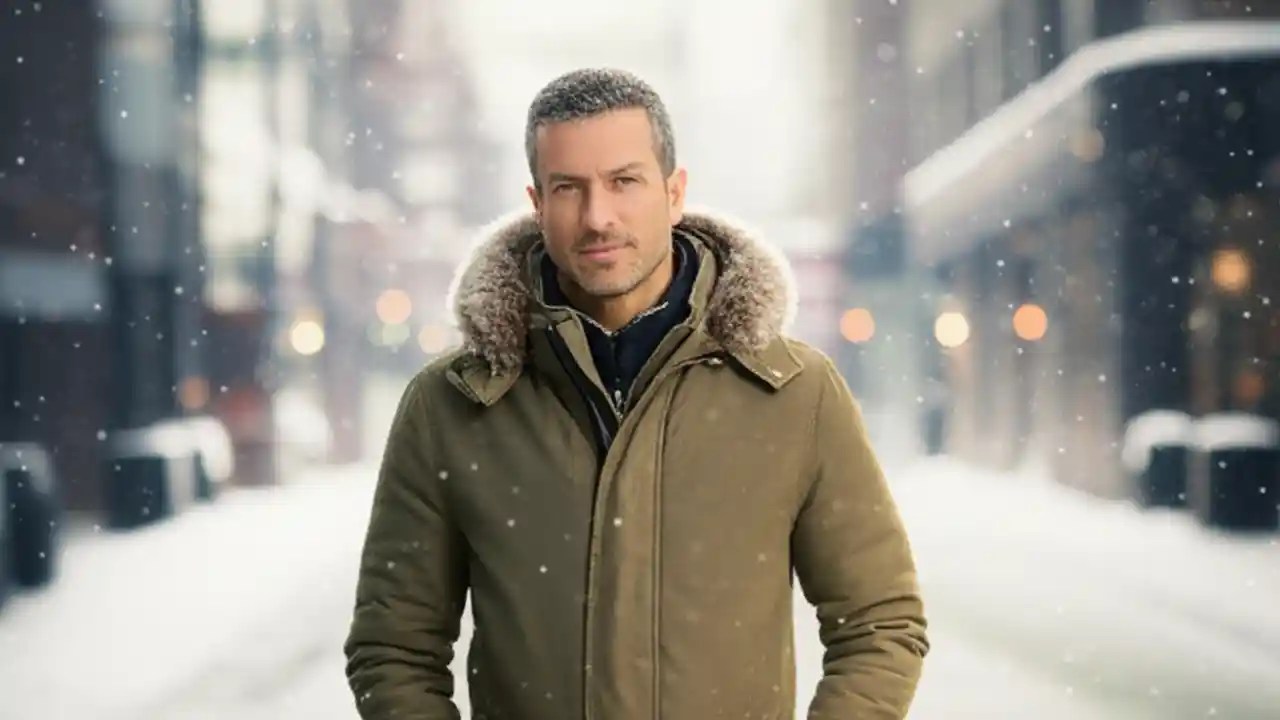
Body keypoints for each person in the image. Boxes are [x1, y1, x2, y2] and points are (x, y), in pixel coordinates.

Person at [344, 67, 928, 720]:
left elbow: (880, 624)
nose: (598, 217)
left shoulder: (795, 395)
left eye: (624, 181)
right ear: (537, 204)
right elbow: (393, 649)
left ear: (674, 193)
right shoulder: (450, 407)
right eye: (569, 188)